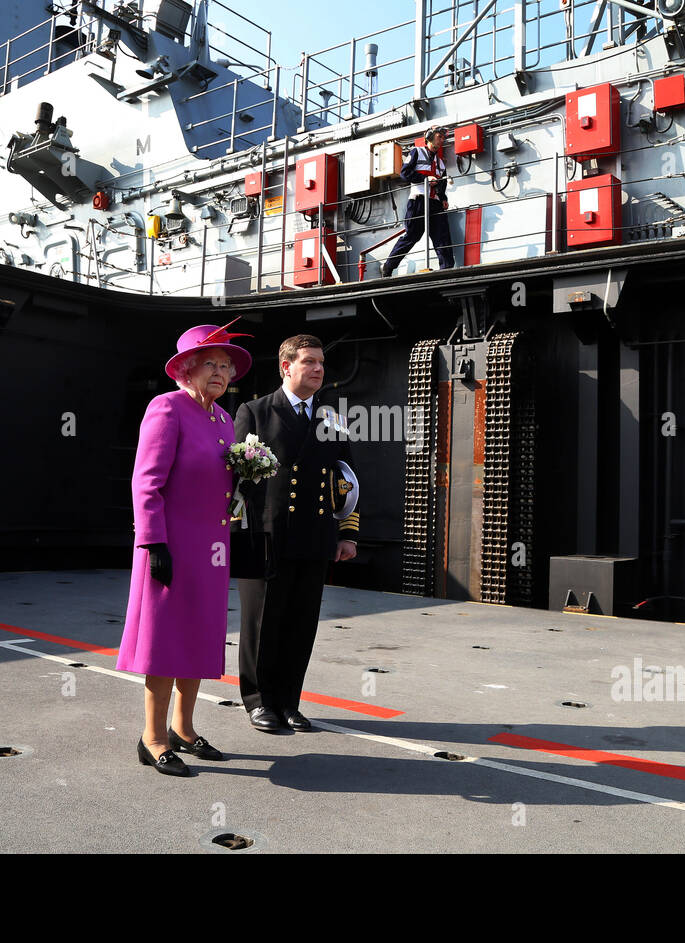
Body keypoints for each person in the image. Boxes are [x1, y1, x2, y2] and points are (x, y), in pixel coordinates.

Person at [116, 323, 253, 776]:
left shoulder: (224, 419)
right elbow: (146, 482)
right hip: (171, 544)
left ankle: (184, 728)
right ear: (188, 370)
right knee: (166, 639)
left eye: (226, 365)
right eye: (211, 364)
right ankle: (152, 738)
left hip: (211, 546)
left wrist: (241, 485)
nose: (221, 372)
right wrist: (153, 541)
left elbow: (216, 478)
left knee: (198, 634)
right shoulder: (167, 408)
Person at [232, 334, 359, 733]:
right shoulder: (254, 412)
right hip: (266, 535)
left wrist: (348, 533)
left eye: (321, 362)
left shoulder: (333, 419)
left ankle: (289, 702)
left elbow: (348, 480)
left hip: (315, 535)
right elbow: (235, 481)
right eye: (309, 362)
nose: (319, 369)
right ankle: (258, 701)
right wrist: (234, 533)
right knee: (262, 622)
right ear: (286, 367)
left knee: (300, 623)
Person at [381, 126, 456, 276]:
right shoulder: (416, 152)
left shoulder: (440, 163)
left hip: (435, 203)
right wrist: (425, 179)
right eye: (439, 136)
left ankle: (447, 270)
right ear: (429, 136)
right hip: (418, 201)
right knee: (412, 235)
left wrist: (444, 198)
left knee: (442, 236)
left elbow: (441, 185)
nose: (442, 140)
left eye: (443, 137)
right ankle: (389, 266)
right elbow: (405, 173)